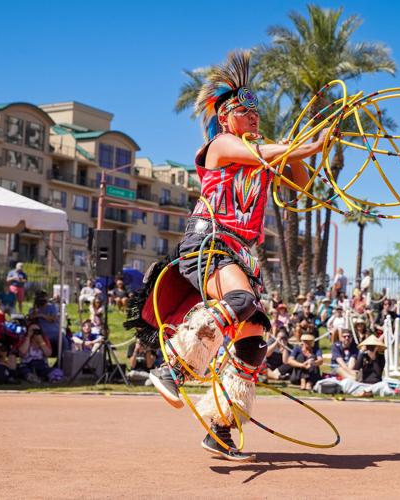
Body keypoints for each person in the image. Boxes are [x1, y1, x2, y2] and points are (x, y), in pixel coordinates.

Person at [124, 51, 318, 462]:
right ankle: (173, 367)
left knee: (252, 342)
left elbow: (301, 185)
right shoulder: (221, 145)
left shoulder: (264, 154)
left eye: (256, 110)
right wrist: (303, 144)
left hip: (240, 253)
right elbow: (270, 154)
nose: (252, 116)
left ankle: (221, 428)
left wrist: (309, 147)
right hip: (209, 242)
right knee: (241, 302)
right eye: (242, 110)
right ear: (225, 117)